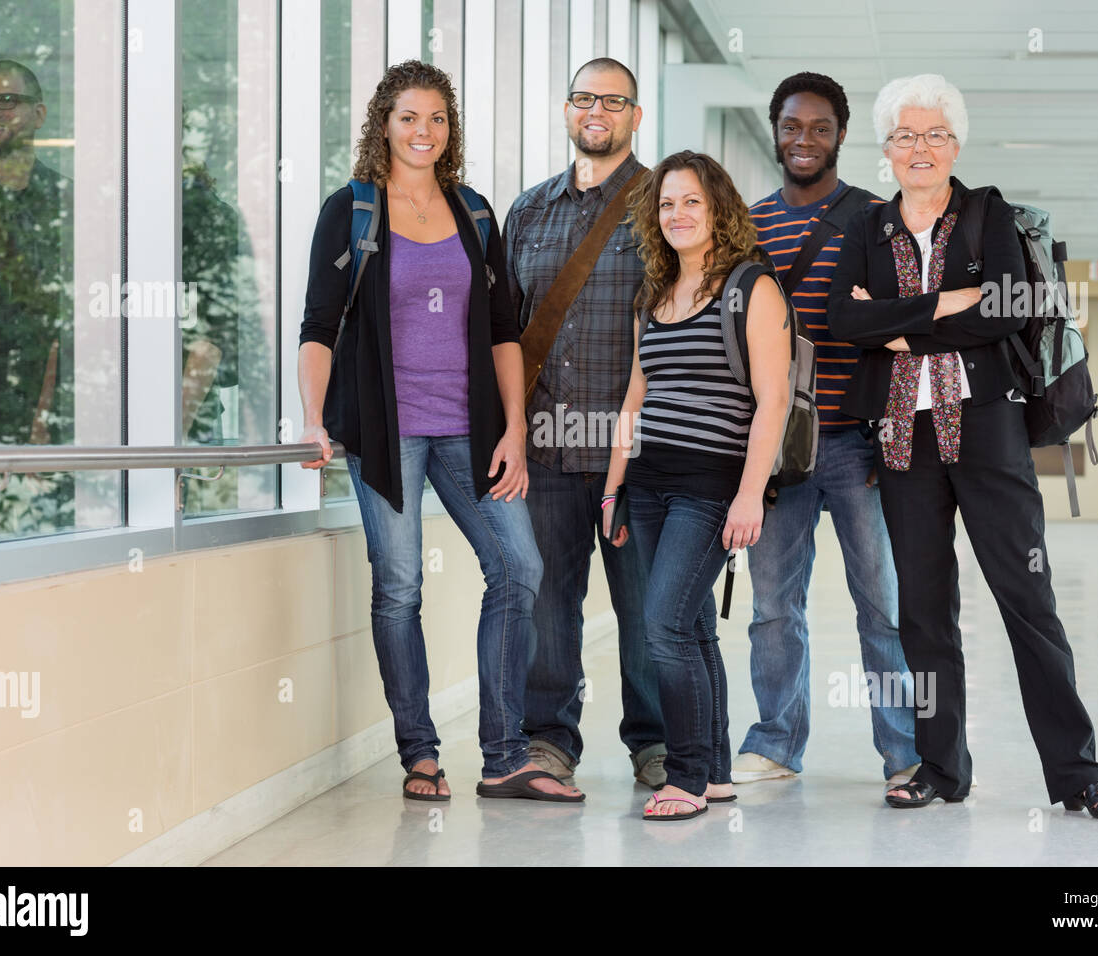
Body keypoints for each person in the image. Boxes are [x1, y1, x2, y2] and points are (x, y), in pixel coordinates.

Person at [828, 73, 1098, 819]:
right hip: (904, 440)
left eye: (933, 134)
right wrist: (939, 307)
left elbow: (998, 312)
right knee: (924, 613)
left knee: (1027, 600)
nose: (919, 148)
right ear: (886, 150)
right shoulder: (867, 228)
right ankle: (941, 767)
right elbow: (843, 319)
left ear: (955, 144)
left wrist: (897, 324)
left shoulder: (988, 214)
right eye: (904, 136)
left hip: (988, 432)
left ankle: (1079, 774)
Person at [298, 60, 580, 803]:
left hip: (469, 428)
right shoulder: (352, 209)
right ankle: (419, 752)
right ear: (382, 126)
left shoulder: (473, 212)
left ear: (449, 129)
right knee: (399, 587)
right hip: (385, 433)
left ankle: (504, 753)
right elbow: (319, 327)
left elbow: (502, 330)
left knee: (519, 568)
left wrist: (514, 429)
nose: (423, 132)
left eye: (437, 119)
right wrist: (310, 419)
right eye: (408, 118)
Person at [735, 71, 920, 792]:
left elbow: (908, 335)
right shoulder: (747, 226)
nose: (803, 140)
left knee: (883, 607)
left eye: (819, 128)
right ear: (774, 131)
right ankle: (776, 742)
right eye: (791, 126)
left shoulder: (878, 218)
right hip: (777, 450)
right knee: (774, 607)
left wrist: (891, 440)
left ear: (842, 135)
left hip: (856, 446)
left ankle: (905, 753)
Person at [603, 151, 791, 820]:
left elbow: (772, 401)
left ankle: (681, 777)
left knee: (663, 625)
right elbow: (635, 395)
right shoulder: (652, 293)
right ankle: (711, 771)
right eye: (666, 204)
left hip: (711, 487)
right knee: (693, 626)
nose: (677, 214)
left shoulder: (752, 287)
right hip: (649, 484)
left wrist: (749, 495)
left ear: (717, 211)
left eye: (691, 202)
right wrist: (612, 488)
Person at [505, 58, 666, 790]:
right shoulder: (527, 211)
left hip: (635, 452)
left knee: (646, 609)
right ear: (566, 110)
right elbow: (503, 333)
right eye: (582, 98)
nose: (595, 110)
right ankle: (548, 741)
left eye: (612, 100)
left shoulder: (665, 205)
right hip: (541, 449)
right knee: (546, 607)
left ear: (636, 116)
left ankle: (657, 744)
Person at [0, 59, 75, 537]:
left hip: (39, 431)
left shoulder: (68, 204)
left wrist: (42, 421)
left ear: (39, 113)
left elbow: (68, 328)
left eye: (7, 99)